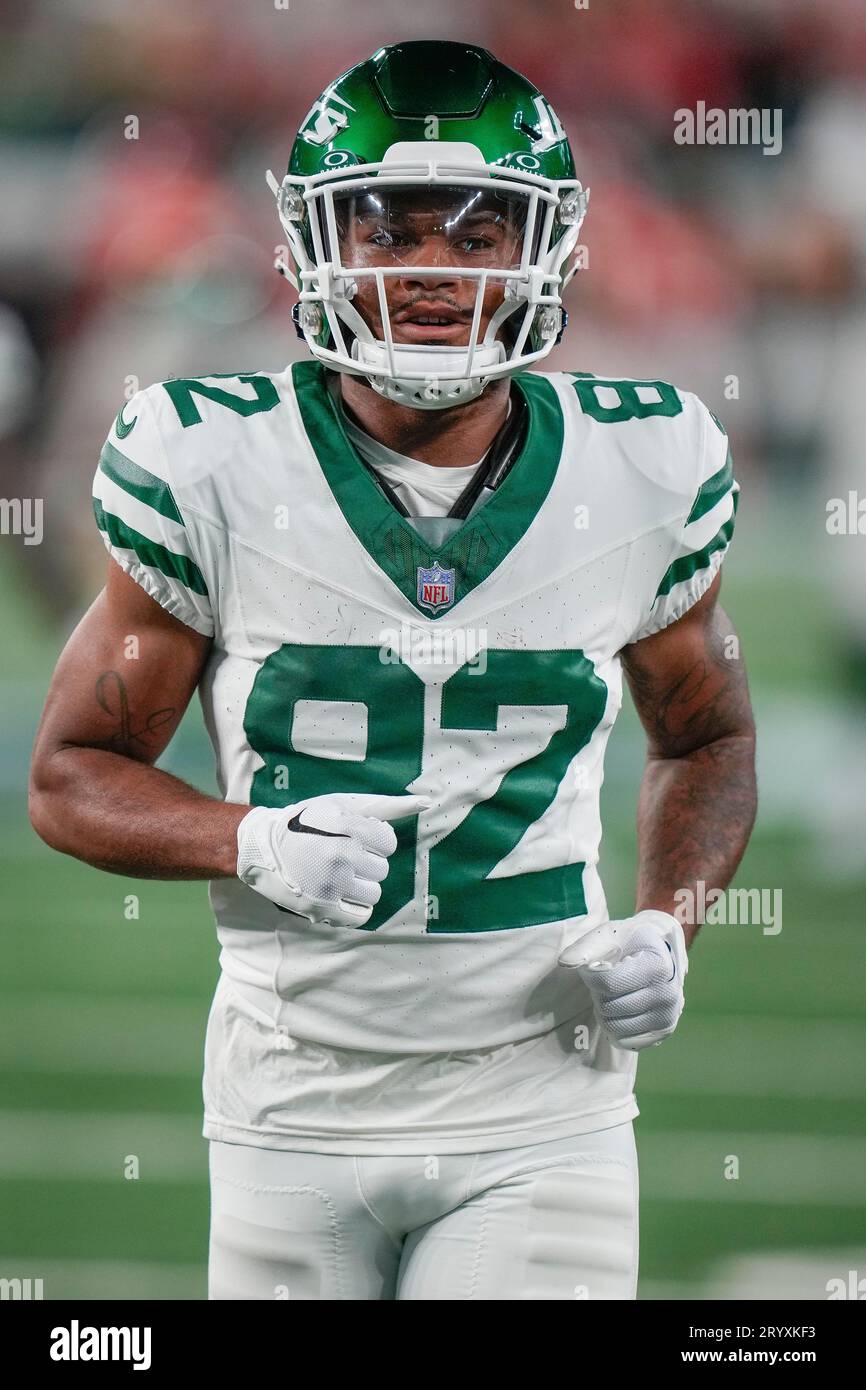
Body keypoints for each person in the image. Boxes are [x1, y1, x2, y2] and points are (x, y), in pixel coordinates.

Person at [29, 40, 756, 1300]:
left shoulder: (644, 466)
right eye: (386, 227)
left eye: (478, 236)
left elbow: (706, 737)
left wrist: (665, 919)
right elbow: (68, 775)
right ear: (315, 245)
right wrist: (247, 840)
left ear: (548, 248)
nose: (430, 270)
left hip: (545, 1102)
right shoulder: (208, 460)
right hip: (286, 1101)